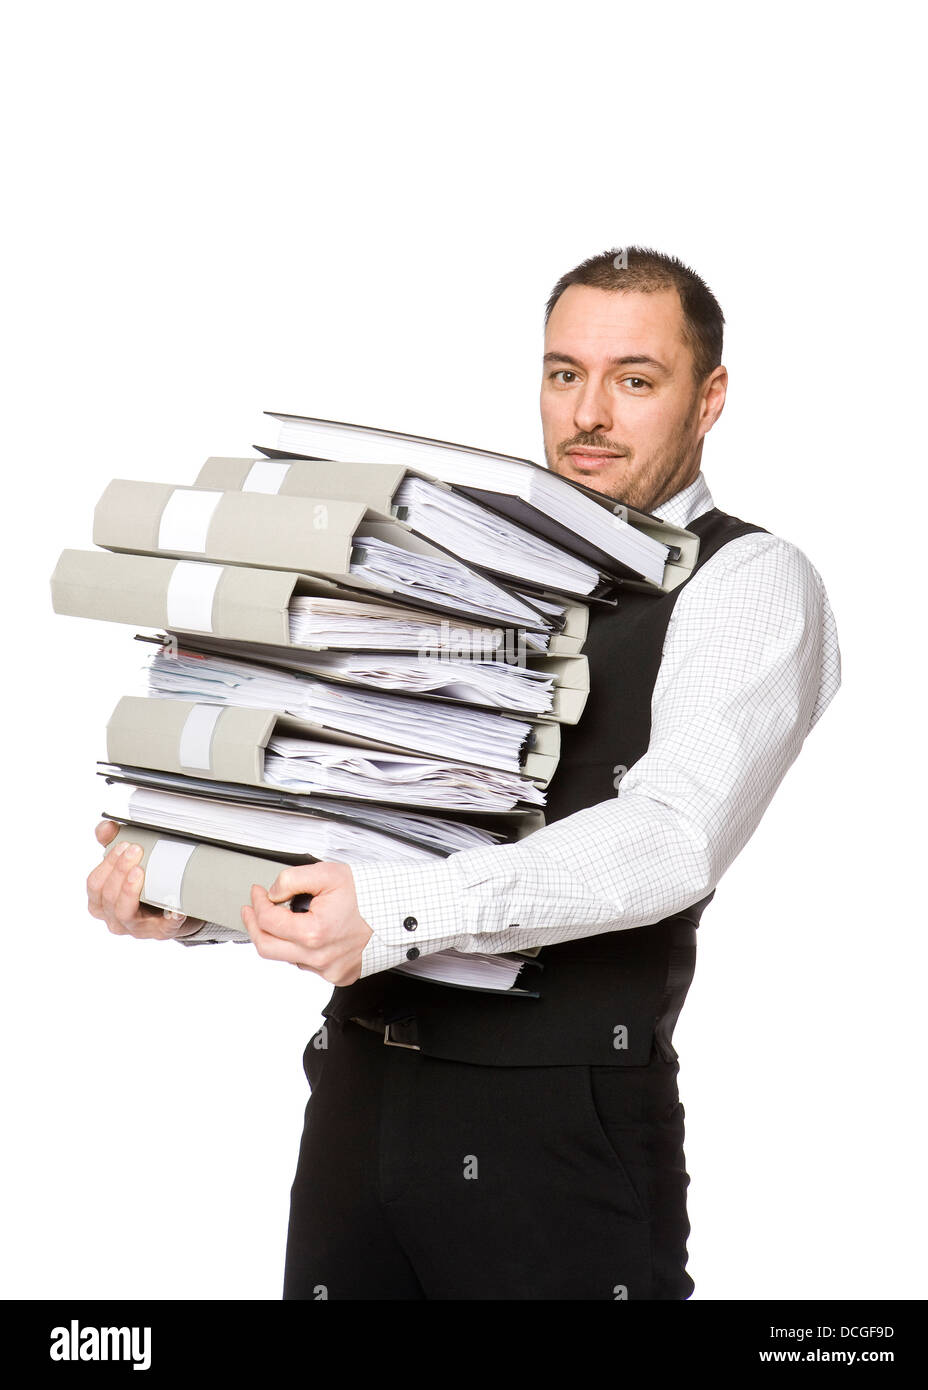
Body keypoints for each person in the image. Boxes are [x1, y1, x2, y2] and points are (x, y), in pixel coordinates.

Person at [88, 246, 841, 1300]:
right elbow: (359, 797)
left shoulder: (750, 579)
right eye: (561, 373)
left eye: (633, 379)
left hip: (554, 1131)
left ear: (707, 397)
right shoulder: (470, 552)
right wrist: (198, 891)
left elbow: (669, 833)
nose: (587, 412)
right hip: (358, 1096)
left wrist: (392, 905)